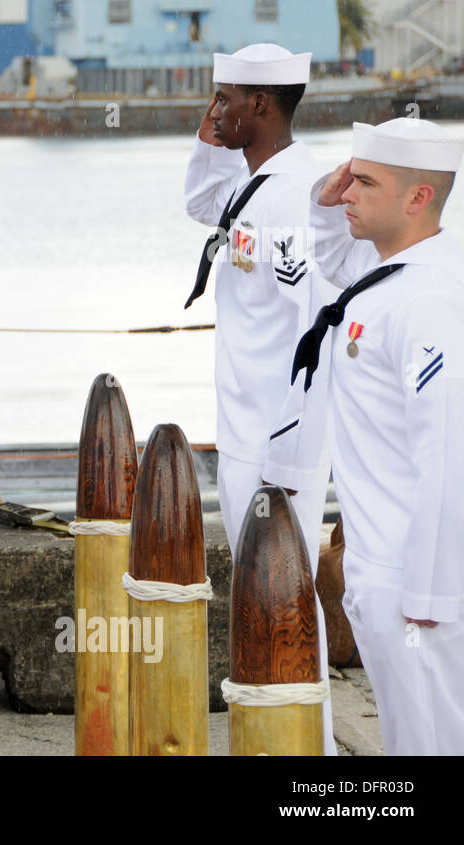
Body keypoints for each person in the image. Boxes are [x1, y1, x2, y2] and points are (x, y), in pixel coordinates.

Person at [181, 43, 335, 754]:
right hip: (243, 434)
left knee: (289, 602)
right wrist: (212, 139)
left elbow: (316, 340)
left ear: (263, 106)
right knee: (258, 597)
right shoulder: (256, 181)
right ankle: (277, 742)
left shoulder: (299, 200)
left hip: (278, 442)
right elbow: (201, 203)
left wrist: (289, 459)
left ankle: (312, 747)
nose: (215, 111)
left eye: (227, 99)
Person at [295, 117, 464, 754]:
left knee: (431, 744)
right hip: (382, 568)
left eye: (364, 182)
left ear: (418, 198)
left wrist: (429, 592)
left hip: (415, 583)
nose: (347, 194)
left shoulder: (431, 301)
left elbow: (447, 454)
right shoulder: (398, 271)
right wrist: (326, 199)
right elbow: (337, 261)